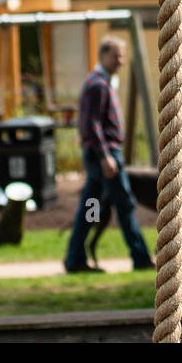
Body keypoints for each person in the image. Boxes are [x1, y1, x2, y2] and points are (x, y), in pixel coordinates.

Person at [63, 36, 154, 274]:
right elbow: (91, 125)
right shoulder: (97, 85)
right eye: (117, 56)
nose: (121, 61)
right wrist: (106, 156)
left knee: (90, 206)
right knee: (124, 204)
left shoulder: (102, 82)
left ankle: (74, 259)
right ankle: (141, 256)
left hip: (101, 155)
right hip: (104, 156)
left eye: (123, 56)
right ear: (103, 56)